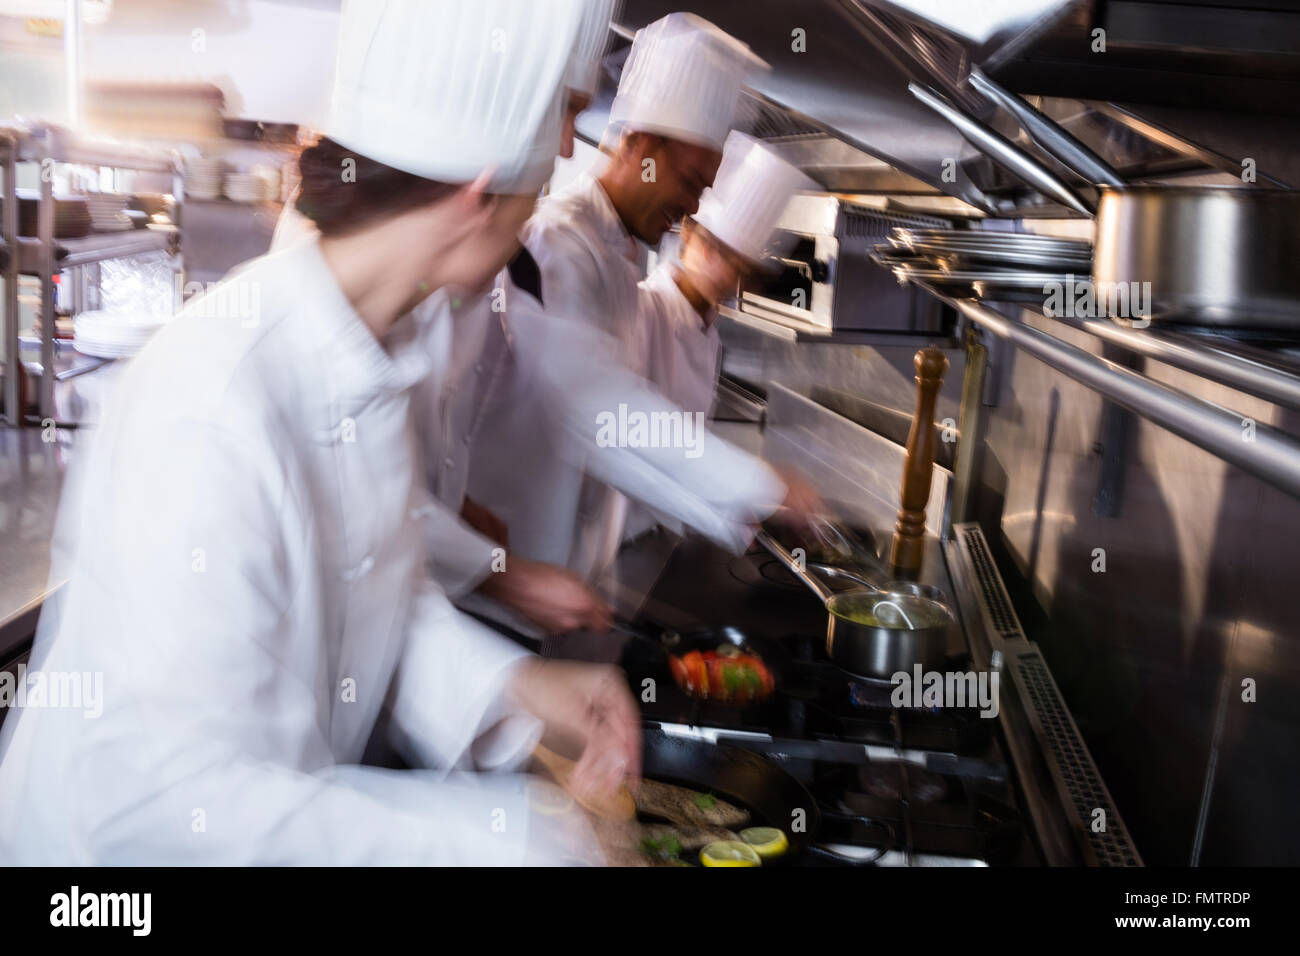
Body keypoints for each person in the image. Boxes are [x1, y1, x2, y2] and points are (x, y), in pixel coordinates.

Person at [0, 0, 639, 865]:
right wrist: (515, 842)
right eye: (542, 166)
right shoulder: (218, 403)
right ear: (477, 195)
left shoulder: (374, 346)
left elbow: (367, 601)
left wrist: (512, 690)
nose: (552, 179)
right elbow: (167, 803)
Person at [468, 13, 808, 584]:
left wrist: (736, 513)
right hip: (505, 575)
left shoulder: (617, 259)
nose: (694, 208)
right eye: (691, 182)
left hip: (564, 579)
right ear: (641, 145)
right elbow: (595, 406)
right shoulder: (558, 240)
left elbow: (615, 441)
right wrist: (758, 486)